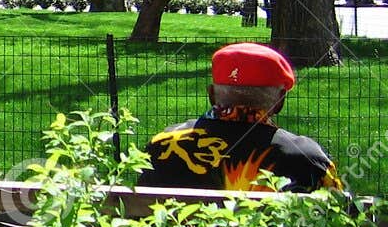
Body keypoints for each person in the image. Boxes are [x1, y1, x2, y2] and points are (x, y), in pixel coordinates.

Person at [140, 42, 343, 192]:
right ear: (279, 102)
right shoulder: (306, 158)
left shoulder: (161, 146)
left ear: (212, 95)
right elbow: (341, 222)